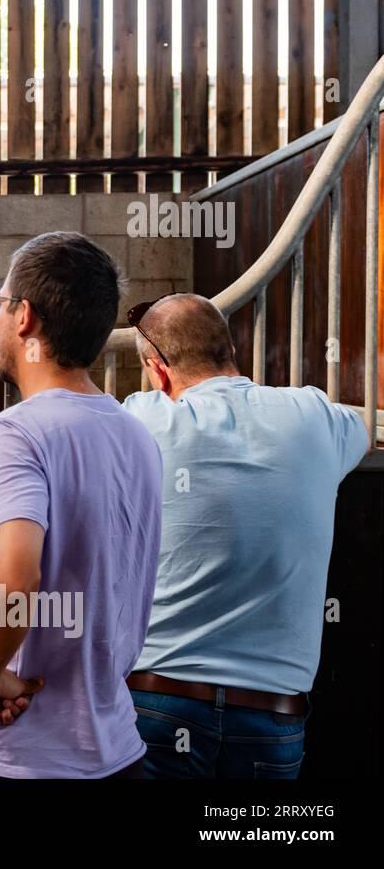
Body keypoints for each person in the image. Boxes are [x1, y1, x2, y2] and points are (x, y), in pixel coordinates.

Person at [0, 231, 162, 779]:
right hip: (117, 752)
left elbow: (13, 574)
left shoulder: (18, 430)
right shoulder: (137, 433)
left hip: (20, 754)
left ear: (25, 317)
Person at [121, 293, 369, 779]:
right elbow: (363, 427)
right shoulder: (314, 414)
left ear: (158, 370)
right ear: (228, 349)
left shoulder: (141, 419)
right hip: (272, 711)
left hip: (158, 700)